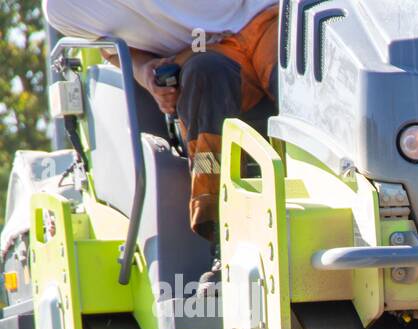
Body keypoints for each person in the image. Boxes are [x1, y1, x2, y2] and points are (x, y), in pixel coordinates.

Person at [43, 1, 278, 283]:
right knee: (202, 74)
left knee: (296, 71)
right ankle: (225, 242)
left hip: (269, 17)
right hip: (206, 49)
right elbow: (111, 47)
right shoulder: (66, 8)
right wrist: (145, 73)